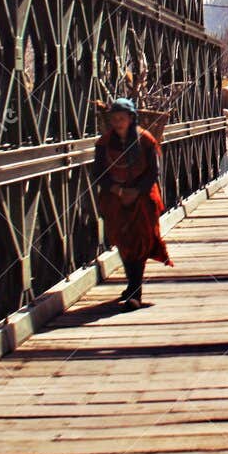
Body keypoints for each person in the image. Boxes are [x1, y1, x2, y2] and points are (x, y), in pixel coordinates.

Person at [91, 97, 172, 308]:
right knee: (123, 241)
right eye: (114, 118)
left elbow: (154, 172)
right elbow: (98, 173)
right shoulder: (104, 143)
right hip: (115, 198)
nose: (118, 122)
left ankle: (136, 291)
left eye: (122, 118)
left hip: (142, 197)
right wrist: (117, 190)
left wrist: (136, 191)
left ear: (131, 118)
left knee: (140, 241)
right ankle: (131, 285)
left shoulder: (145, 140)